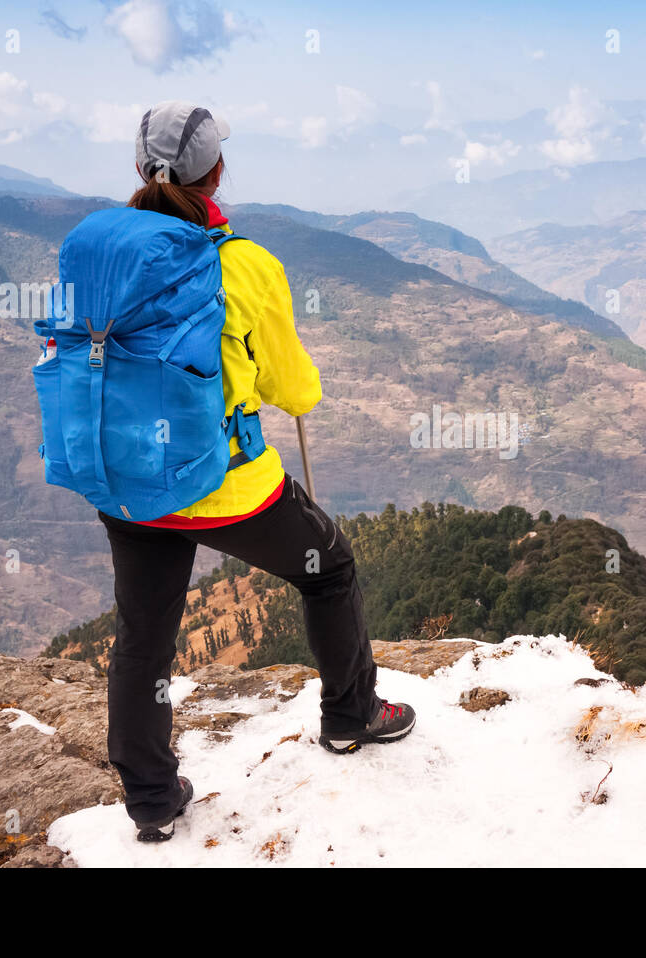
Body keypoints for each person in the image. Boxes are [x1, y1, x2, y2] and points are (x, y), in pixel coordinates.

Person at [99, 101, 414, 843]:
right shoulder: (241, 264)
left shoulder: (103, 257)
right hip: (221, 485)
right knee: (328, 567)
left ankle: (149, 800)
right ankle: (352, 715)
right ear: (216, 173)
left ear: (140, 172)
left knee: (144, 636)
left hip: (131, 485)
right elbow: (290, 387)